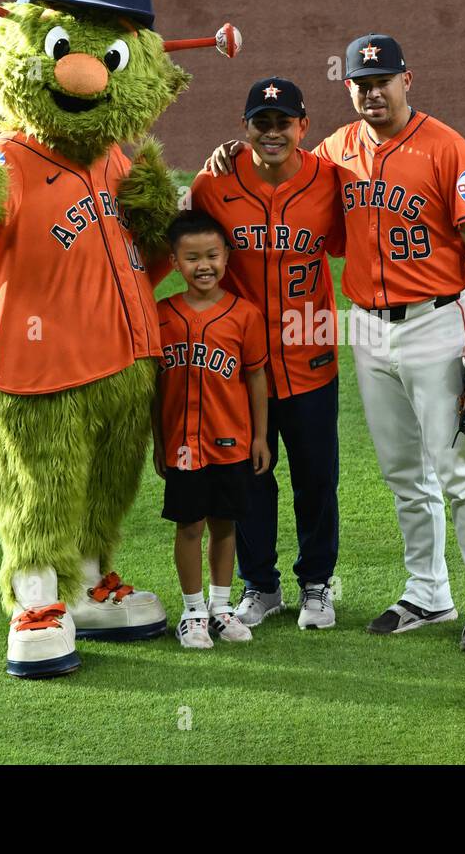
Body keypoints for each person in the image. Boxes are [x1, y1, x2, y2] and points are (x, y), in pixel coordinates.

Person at [206, 35, 465, 651]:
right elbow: (283, 169)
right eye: (362, 84)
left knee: (459, 471)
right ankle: (427, 592)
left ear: (407, 81)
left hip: (438, 321)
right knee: (403, 472)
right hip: (366, 327)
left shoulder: (448, 147)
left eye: (384, 81)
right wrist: (232, 155)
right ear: (347, 88)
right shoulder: (335, 152)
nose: (373, 92)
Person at [191, 77, 349, 631]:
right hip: (243, 369)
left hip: (311, 361)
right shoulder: (213, 185)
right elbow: (183, 249)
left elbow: (364, 240)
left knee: (315, 478)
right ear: (245, 128)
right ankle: (261, 585)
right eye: (262, 122)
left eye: (284, 122)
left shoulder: (331, 181)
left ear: (303, 127)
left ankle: (317, 584)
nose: (273, 132)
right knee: (249, 477)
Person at [153, 211, 270, 649]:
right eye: (192, 258)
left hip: (232, 443)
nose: (204, 266)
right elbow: (155, 387)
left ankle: (221, 608)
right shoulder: (162, 315)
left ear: (227, 257)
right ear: (174, 262)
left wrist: (259, 437)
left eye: (212, 256)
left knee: (226, 526)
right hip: (183, 447)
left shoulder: (245, 315)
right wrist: (159, 442)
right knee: (189, 526)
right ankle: (193, 611)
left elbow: (256, 378)